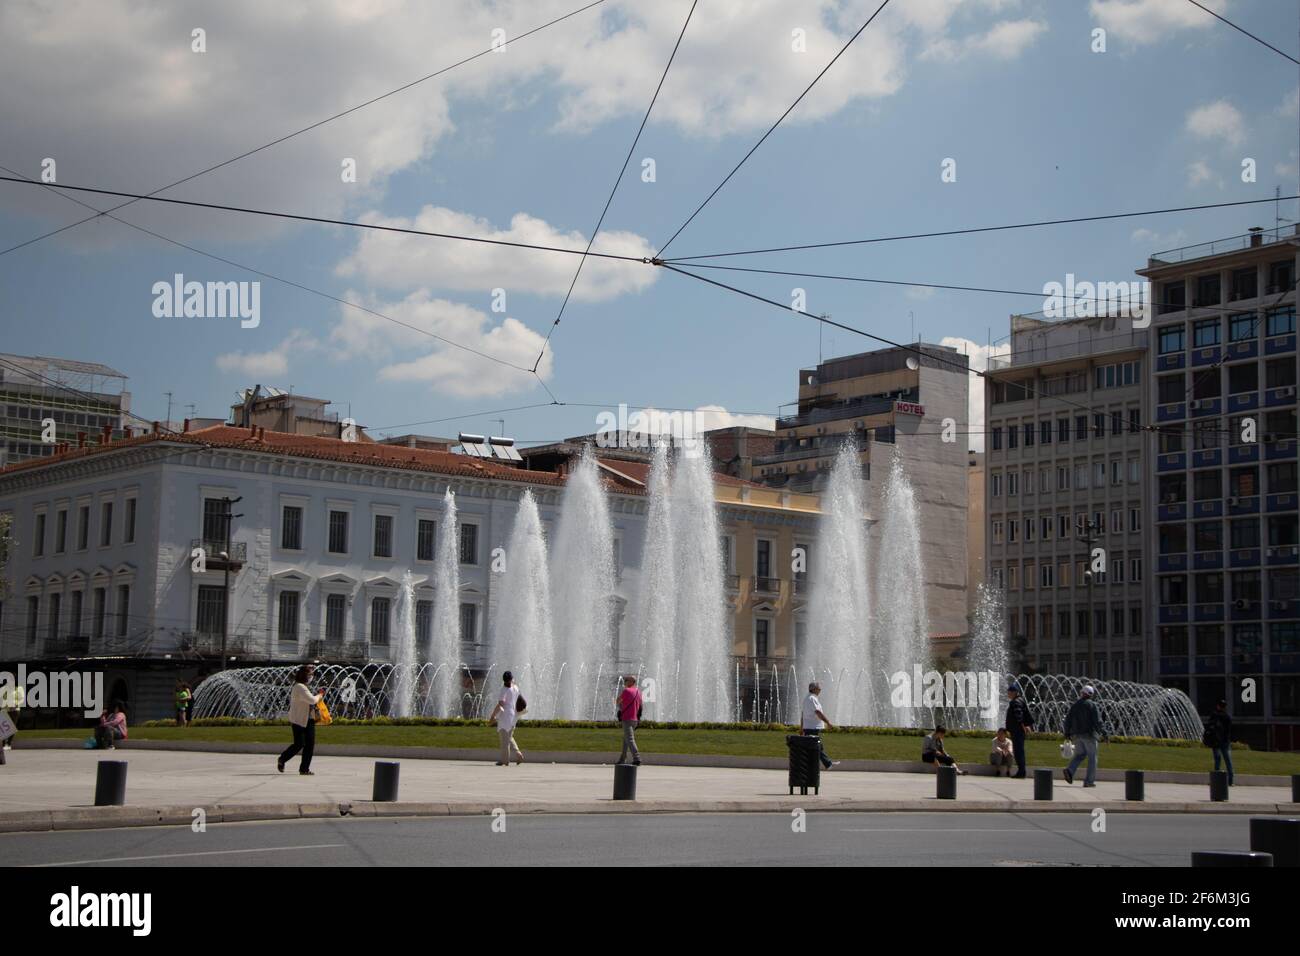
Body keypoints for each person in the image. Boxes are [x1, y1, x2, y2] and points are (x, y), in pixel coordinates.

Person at [278, 664, 322, 775]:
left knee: (309, 745)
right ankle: (282, 759)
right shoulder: (299, 687)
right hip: (299, 720)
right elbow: (312, 700)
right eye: (310, 674)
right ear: (304, 675)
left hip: (308, 719)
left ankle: (304, 769)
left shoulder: (303, 687)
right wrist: (320, 695)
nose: (311, 677)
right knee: (299, 744)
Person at [1062, 684, 1107, 787]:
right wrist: (1104, 733)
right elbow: (1098, 721)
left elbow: (1067, 720)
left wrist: (1067, 733)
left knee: (1080, 755)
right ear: (1091, 695)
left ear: (1082, 693)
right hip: (1089, 735)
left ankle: (1070, 770)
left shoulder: (1075, 705)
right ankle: (1089, 781)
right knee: (1092, 758)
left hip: (1077, 735)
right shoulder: (1092, 705)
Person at [487, 671, 525, 766]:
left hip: (505, 717)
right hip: (514, 717)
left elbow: (500, 705)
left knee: (504, 741)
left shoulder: (504, 690)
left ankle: (505, 761)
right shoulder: (515, 688)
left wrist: (492, 716)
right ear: (512, 679)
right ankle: (518, 753)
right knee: (509, 737)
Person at [800, 682, 838, 770]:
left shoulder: (807, 699)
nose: (820, 690)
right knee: (816, 747)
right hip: (812, 728)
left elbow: (803, 714)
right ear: (813, 689)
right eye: (818, 688)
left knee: (818, 747)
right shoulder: (812, 699)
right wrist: (828, 722)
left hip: (809, 727)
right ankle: (825, 764)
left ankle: (827, 764)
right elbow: (818, 712)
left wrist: (801, 728)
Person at [1005, 683, 1034, 779]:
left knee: (1018, 752)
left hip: (1017, 731)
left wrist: (1023, 726)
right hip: (1018, 730)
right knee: (1019, 751)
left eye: (1009, 692)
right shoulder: (1019, 700)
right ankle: (1021, 771)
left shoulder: (1016, 702)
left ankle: (1021, 772)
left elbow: (1019, 715)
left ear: (1014, 692)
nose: (1008, 694)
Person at [614, 674, 642, 766]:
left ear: (631, 682)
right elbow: (640, 706)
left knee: (629, 739)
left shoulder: (626, 691)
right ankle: (622, 759)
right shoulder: (638, 692)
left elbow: (617, 701)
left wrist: (620, 705)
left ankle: (637, 758)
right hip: (635, 719)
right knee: (626, 739)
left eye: (626, 680)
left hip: (627, 718)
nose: (625, 682)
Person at [1205, 699, 1234, 786]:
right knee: (1228, 761)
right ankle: (1230, 781)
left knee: (1217, 760)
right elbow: (1228, 731)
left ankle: (1216, 780)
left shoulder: (1214, 715)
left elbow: (1209, 727)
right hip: (1224, 742)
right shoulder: (1227, 717)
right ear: (1225, 707)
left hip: (1216, 742)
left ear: (1218, 706)